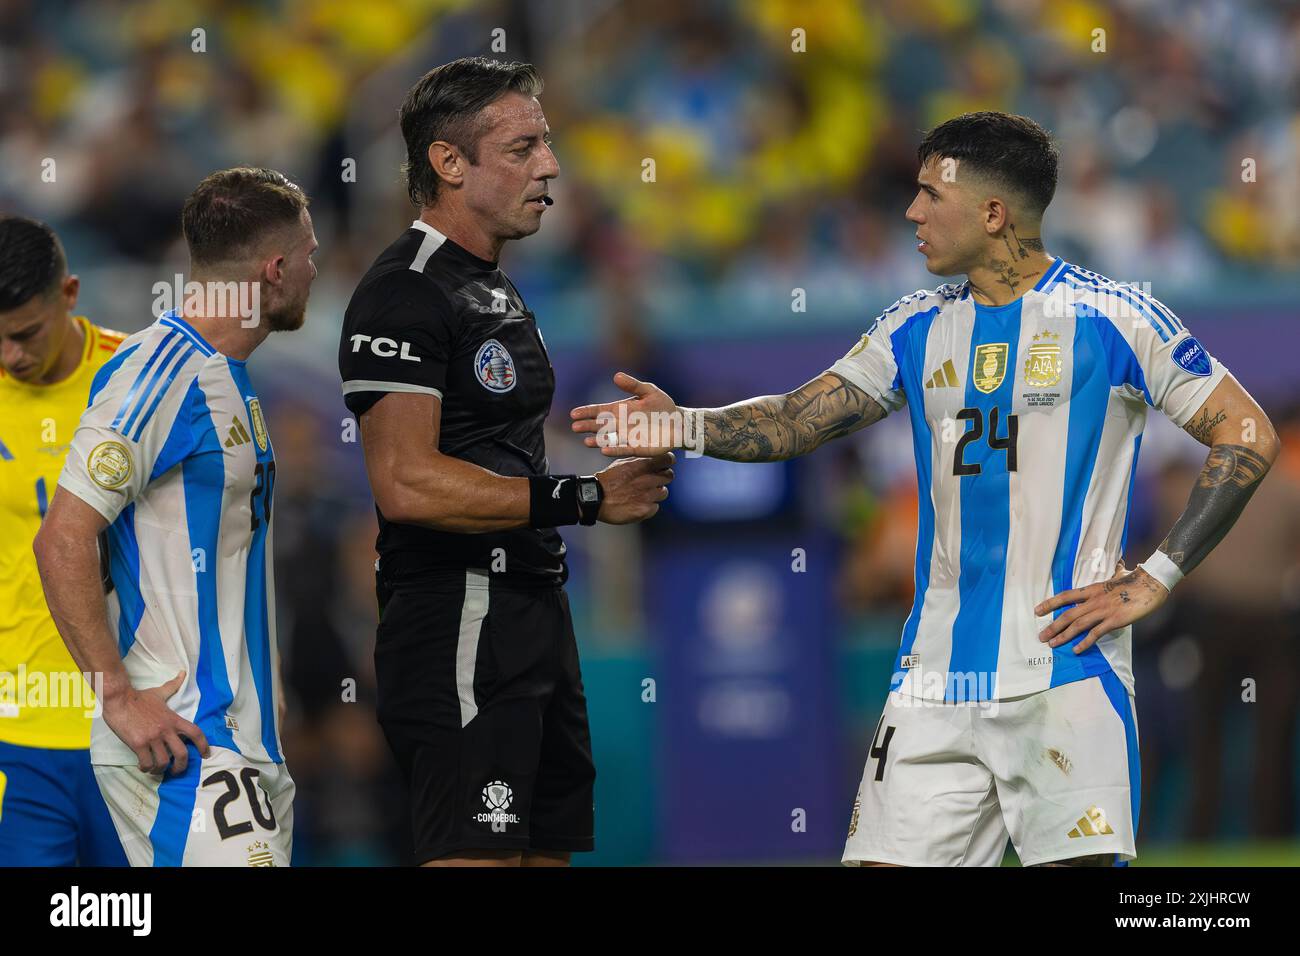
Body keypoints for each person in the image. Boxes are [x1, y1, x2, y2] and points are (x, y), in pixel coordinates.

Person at [570, 111, 1280, 867]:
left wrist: (1156, 577)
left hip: (1065, 671)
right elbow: (796, 420)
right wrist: (679, 425)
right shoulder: (912, 326)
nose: (910, 212)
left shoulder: (1112, 319)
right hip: (931, 683)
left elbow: (1246, 433)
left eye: (927, 195)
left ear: (993, 212)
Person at [338, 57, 673, 867]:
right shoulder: (404, 292)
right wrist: (586, 499)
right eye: (523, 147)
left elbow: (493, 455)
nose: (551, 165)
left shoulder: (495, 288)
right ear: (450, 163)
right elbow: (407, 483)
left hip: (533, 607)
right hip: (460, 612)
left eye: (547, 144)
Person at [33, 167, 317, 866]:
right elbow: (63, 535)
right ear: (274, 269)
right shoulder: (160, 372)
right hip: (187, 741)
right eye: (310, 254)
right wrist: (118, 696)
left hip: (244, 747)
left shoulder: (230, 377)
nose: (317, 269)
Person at [0, 216, 128, 865]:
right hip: (14, 736)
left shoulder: (140, 379)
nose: (8, 356)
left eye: (24, 334)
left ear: (69, 294)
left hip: (136, 725)